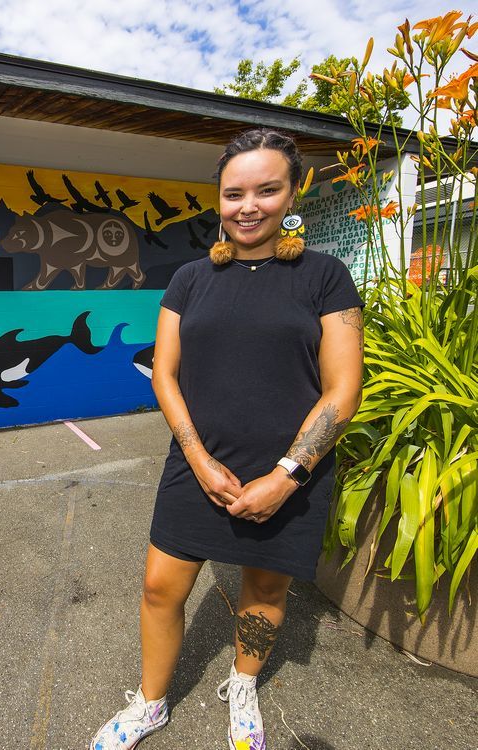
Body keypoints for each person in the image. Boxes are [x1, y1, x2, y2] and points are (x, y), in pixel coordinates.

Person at [90, 128, 365, 750]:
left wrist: (286, 475)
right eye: (234, 192)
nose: (249, 206)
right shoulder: (190, 279)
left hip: (292, 468)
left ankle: (242, 684)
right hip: (197, 462)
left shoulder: (325, 277)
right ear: (217, 199)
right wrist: (196, 456)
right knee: (161, 585)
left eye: (267, 190)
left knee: (264, 589)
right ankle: (151, 702)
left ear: (292, 193)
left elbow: (343, 388)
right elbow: (164, 372)